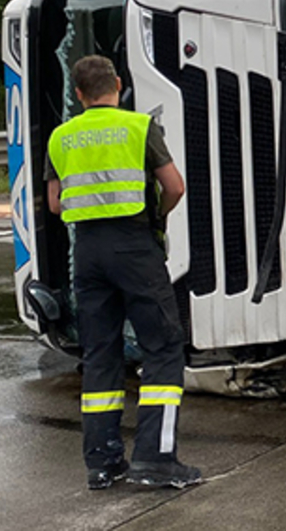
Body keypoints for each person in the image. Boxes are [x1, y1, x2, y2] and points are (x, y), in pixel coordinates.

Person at [46, 55, 202, 490]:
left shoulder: (62, 138)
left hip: (89, 253)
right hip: (134, 246)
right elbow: (174, 186)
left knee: (100, 355)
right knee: (163, 347)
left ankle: (102, 463)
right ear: (118, 83)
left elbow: (57, 204)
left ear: (77, 94)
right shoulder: (138, 128)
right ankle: (155, 459)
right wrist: (157, 217)